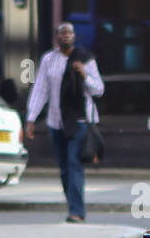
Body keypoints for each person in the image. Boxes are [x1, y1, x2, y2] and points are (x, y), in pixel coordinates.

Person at [24, 23, 104, 222]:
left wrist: (84, 74)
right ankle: (73, 205)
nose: (66, 36)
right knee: (63, 168)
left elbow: (99, 90)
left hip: (79, 121)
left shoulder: (86, 60)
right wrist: (31, 118)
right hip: (56, 121)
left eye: (69, 33)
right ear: (57, 37)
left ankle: (76, 211)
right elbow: (41, 89)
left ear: (74, 36)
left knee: (74, 163)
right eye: (62, 33)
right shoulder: (48, 60)